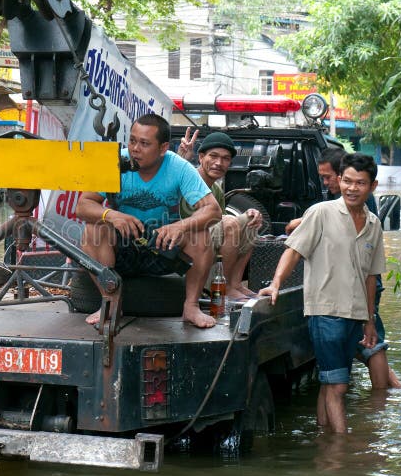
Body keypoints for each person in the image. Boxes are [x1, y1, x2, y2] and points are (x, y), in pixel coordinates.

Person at [259, 153, 385, 433]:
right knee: (339, 384)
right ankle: (342, 445)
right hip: (325, 311)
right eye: (347, 181)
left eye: (360, 183)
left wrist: (370, 320)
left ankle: (323, 438)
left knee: (331, 382)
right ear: (339, 181)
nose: (352, 188)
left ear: (372, 187)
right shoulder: (321, 212)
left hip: (355, 314)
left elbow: (371, 277)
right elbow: (293, 250)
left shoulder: (374, 224)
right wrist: (276, 282)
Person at [76, 113, 222, 328]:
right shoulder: (115, 162)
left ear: (163, 148)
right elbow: (83, 205)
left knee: (200, 235)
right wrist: (112, 215)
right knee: (93, 230)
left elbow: (213, 211)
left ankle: (191, 307)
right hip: (121, 249)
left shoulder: (179, 167)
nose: (135, 148)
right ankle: (110, 302)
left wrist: (181, 226)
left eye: (144, 143)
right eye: (133, 140)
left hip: (161, 248)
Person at [287, 147, 401, 390]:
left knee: (372, 343)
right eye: (341, 180)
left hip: (359, 285)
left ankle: (381, 402)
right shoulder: (330, 205)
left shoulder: (361, 207)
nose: (326, 182)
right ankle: (384, 398)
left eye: (328, 176)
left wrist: (301, 220)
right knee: (339, 377)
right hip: (338, 295)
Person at [177, 129, 264, 300]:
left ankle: (235, 284)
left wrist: (249, 215)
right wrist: (181, 160)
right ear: (201, 157)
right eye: (213, 156)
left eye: (225, 159)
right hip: (183, 236)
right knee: (230, 222)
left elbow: (221, 221)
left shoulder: (216, 190)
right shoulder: (187, 177)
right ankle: (224, 287)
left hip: (207, 235)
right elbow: (169, 183)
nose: (219, 163)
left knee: (251, 222)